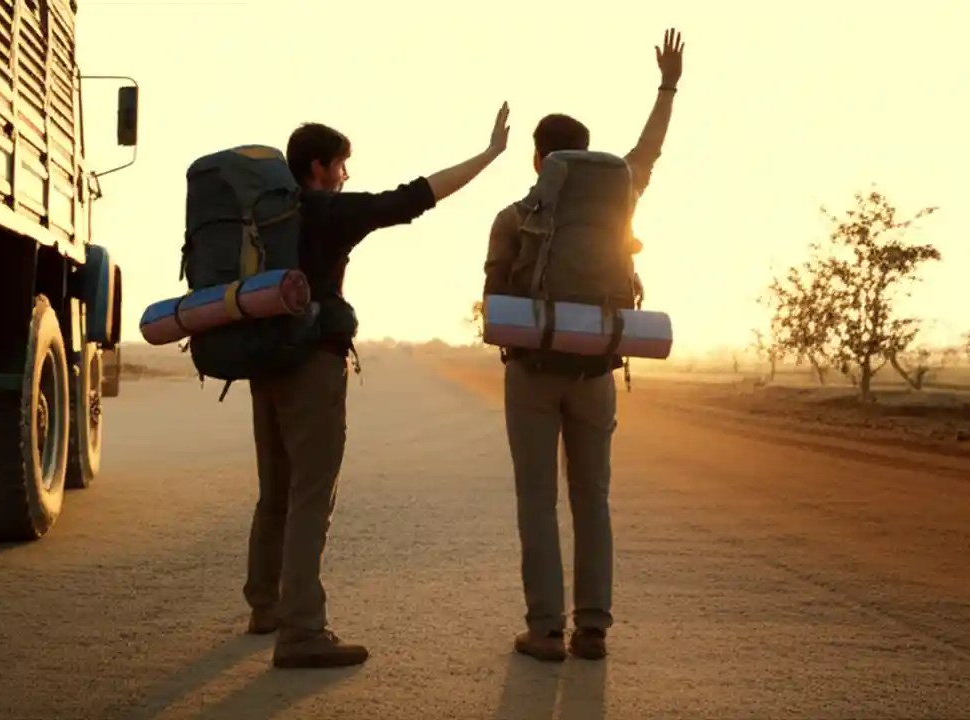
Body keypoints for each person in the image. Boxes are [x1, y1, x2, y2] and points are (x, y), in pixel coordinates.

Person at [243, 103, 512, 669]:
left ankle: (265, 606)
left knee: (276, 494)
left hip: (262, 363)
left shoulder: (264, 216)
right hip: (311, 365)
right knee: (312, 496)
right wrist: (488, 156)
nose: (345, 176)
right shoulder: (329, 212)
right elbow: (417, 196)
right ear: (318, 167)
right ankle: (302, 632)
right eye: (342, 165)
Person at [481, 28, 685, 662]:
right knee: (592, 499)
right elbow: (649, 151)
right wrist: (668, 84)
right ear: (589, 162)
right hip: (597, 369)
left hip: (533, 371)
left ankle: (545, 631)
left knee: (537, 503)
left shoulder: (514, 218)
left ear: (540, 162)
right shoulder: (621, 201)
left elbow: (493, 306)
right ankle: (593, 629)